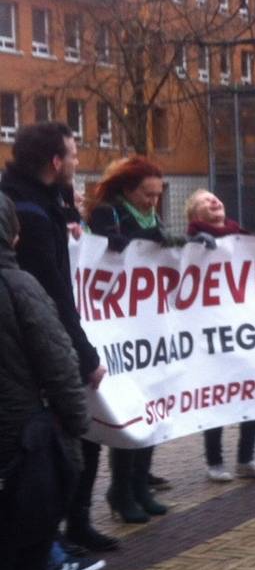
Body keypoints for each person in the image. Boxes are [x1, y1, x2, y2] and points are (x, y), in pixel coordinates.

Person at [0, 122, 117, 552]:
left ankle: (67, 529)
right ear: (55, 162)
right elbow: (51, 295)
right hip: (33, 353)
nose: (77, 160)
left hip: (32, 345)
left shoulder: (35, 201)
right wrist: (84, 356)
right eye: (72, 154)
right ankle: (51, 539)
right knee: (64, 444)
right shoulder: (28, 213)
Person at [0, 192, 100, 570]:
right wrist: (76, 422)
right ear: (13, 234)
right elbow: (58, 360)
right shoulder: (19, 287)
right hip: (17, 442)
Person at [85, 157, 178, 524]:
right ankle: (120, 491)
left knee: (150, 403)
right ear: (127, 189)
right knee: (128, 410)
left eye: (157, 195)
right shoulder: (108, 213)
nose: (152, 202)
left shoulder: (150, 216)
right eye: (146, 194)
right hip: (118, 326)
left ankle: (141, 486)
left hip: (146, 325)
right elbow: (111, 249)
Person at [183, 190, 255, 482]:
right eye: (204, 202)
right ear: (194, 215)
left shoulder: (242, 237)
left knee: (253, 387)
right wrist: (194, 247)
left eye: (216, 198)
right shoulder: (190, 243)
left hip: (244, 328)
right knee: (217, 395)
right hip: (211, 330)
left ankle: (246, 458)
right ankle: (215, 462)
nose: (214, 202)